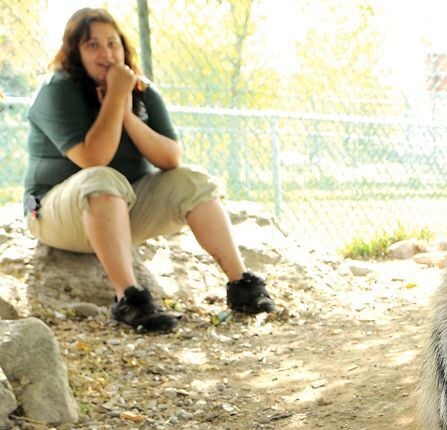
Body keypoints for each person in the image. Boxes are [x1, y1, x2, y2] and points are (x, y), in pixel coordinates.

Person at [23, 7, 276, 333]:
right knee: (103, 177)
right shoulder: (58, 90)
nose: (106, 54)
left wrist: (128, 113)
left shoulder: (141, 91)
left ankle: (241, 284)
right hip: (56, 215)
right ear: (75, 53)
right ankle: (129, 298)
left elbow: (170, 158)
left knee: (192, 180)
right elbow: (93, 157)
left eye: (112, 44)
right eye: (92, 45)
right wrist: (115, 97)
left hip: (120, 213)